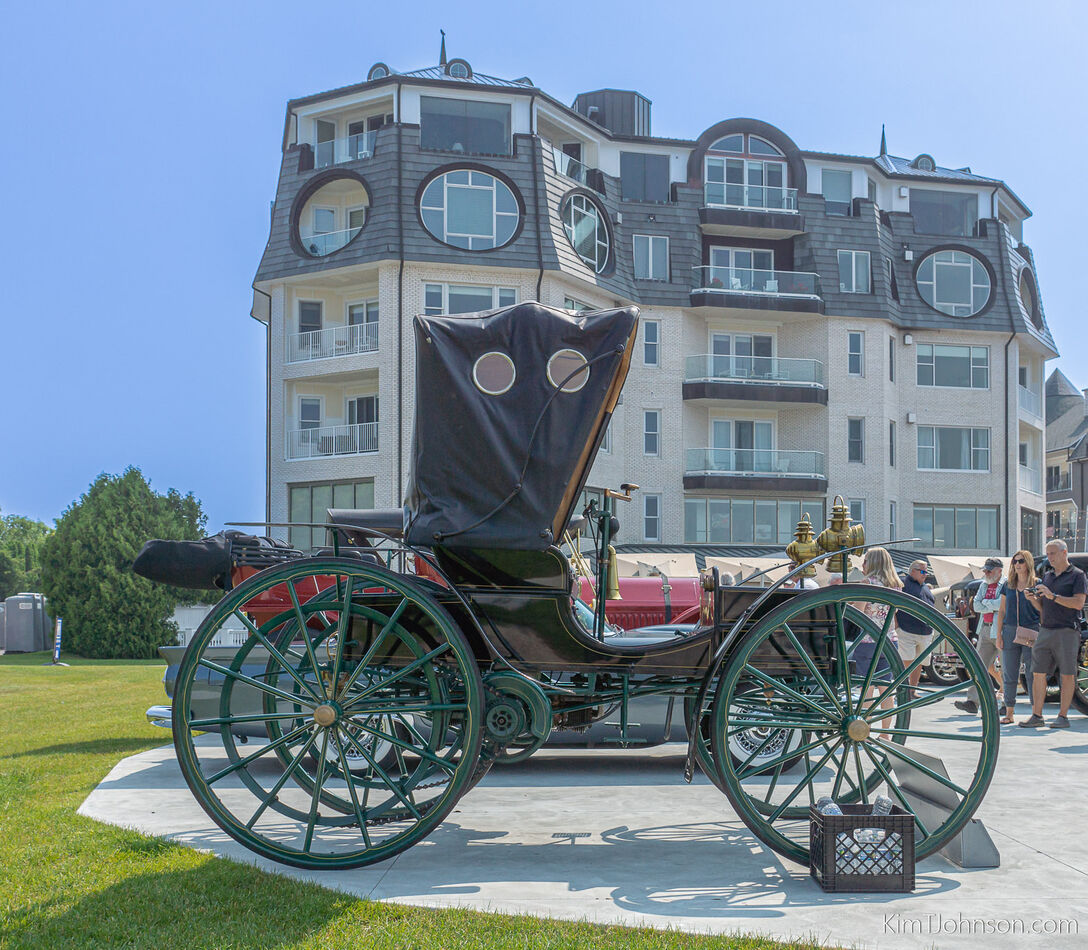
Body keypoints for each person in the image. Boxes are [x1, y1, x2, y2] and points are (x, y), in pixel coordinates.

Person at [1020, 539, 1087, 728]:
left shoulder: (1077, 575)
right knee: (1037, 673)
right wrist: (1033, 599)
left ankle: (1063, 716)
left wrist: (1053, 596)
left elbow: (1078, 603)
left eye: (1053, 553)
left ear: (1064, 553)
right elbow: (1043, 607)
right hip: (1045, 630)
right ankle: (1037, 715)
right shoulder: (1047, 576)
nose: (1049, 557)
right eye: (1048, 553)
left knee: (1067, 674)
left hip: (1067, 630)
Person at [955, 558, 1004, 715]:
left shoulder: (1006, 584)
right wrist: (991, 604)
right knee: (979, 667)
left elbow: (1002, 605)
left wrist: (987, 604)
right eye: (985, 570)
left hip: (1001, 629)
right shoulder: (983, 585)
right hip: (985, 628)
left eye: (989, 570)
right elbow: (975, 606)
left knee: (1006, 669)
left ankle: (1006, 705)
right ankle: (973, 702)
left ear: (999, 570)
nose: (986, 573)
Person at [996, 550, 1039, 724]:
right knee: (1009, 673)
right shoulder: (1008, 584)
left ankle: (1036, 713)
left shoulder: (1037, 584)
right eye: (1015, 561)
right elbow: (1002, 611)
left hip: (1031, 630)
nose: (1017, 564)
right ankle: (1009, 713)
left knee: (1032, 674)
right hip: (1010, 630)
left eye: (1021, 561)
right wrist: (998, 634)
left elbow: (1042, 610)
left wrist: (1033, 597)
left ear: (1028, 562)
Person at [897, 559, 936, 694]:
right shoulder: (902, 584)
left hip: (925, 631)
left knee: (919, 662)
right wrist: (896, 626)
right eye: (922, 571)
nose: (925, 574)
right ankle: (902, 691)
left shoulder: (925, 587)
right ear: (912, 571)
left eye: (926, 572)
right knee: (906, 661)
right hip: (906, 628)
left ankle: (912, 690)